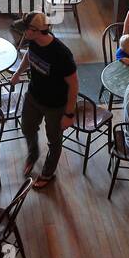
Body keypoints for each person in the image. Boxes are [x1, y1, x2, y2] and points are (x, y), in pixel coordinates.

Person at [8, 11, 77, 189]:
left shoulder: (61, 54)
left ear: (36, 30)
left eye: (26, 30)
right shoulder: (33, 41)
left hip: (55, 105)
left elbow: (74, 85)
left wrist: (69, 113)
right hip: (33, 96)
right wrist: (17, 73)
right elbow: (29, 55)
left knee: (54, 140)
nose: (23, 33)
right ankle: (33, 154)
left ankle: (47, 173)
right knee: (27, 126)